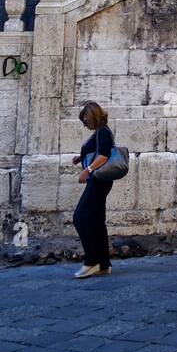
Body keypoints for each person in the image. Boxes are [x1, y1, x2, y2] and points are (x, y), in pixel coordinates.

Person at [72, 100, 114, 279]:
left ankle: (91, 262)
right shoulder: (99, 132)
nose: (84, 123)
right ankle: (104, 264)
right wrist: (79, 157)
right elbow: (96, 152)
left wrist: (87, 171)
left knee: (80, 218)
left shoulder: (103, 131)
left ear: (93, 115)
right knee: (97, 221)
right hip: (100, 181)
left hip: (98, 181)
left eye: (86, 119)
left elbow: (104, 155)